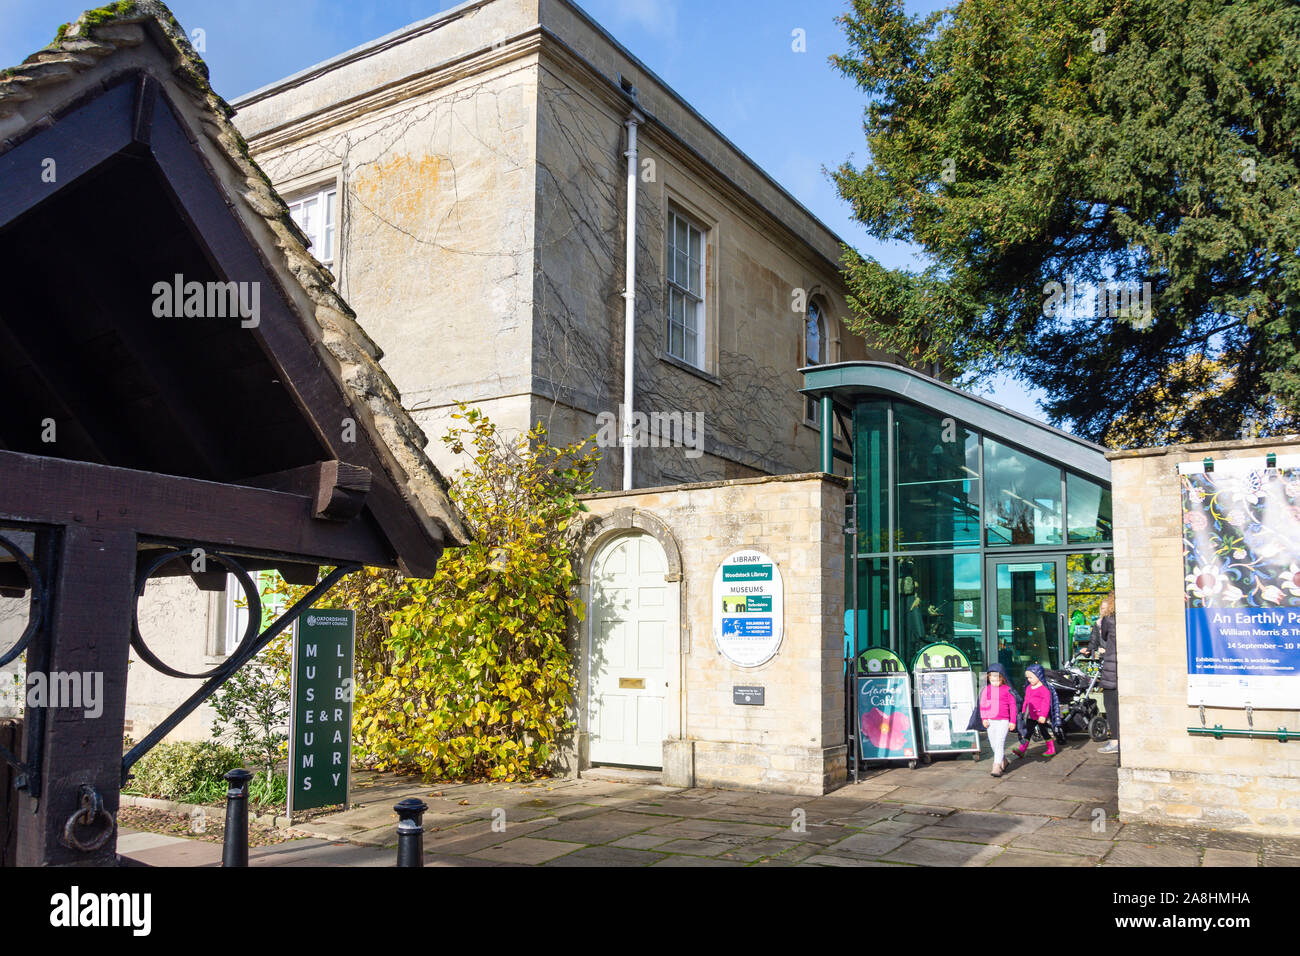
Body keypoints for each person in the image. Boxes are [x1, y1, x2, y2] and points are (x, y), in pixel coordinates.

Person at [1088, 592, 1119, 754]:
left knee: (1111, 705)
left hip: (1111, 667)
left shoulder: (1108, 620)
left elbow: (1105, 636)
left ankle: (1115, 741)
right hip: (1122, 667)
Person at [977, 663, 1018, 777]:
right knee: (993, 744)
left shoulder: (1007, 690)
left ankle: (996, 766)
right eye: (992, 680)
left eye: (997, 680)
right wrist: (984, 718)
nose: (995, 682)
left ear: (1002, 678)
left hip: (1003, 721)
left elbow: (1013, 706)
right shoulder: (986, 689)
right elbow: (983, 705)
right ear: (989, 678)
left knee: (999, 743)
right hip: (990, 720)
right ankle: (1003, 760)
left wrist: (1013, 721)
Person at [1013, 663, 1061, 758]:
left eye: (1031, 677)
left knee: (1044, 731)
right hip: (1031, 714)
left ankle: (1051, 749)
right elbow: (1026, 700)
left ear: (1038, 676)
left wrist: (1043, 715)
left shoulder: (1044, 690)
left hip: (1040, 716)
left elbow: (1046, 703)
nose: (1028, 679)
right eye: (1027, 678)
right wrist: (1023, 711)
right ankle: (1022, 749)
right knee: (1028, 731)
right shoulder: (1028, 688)